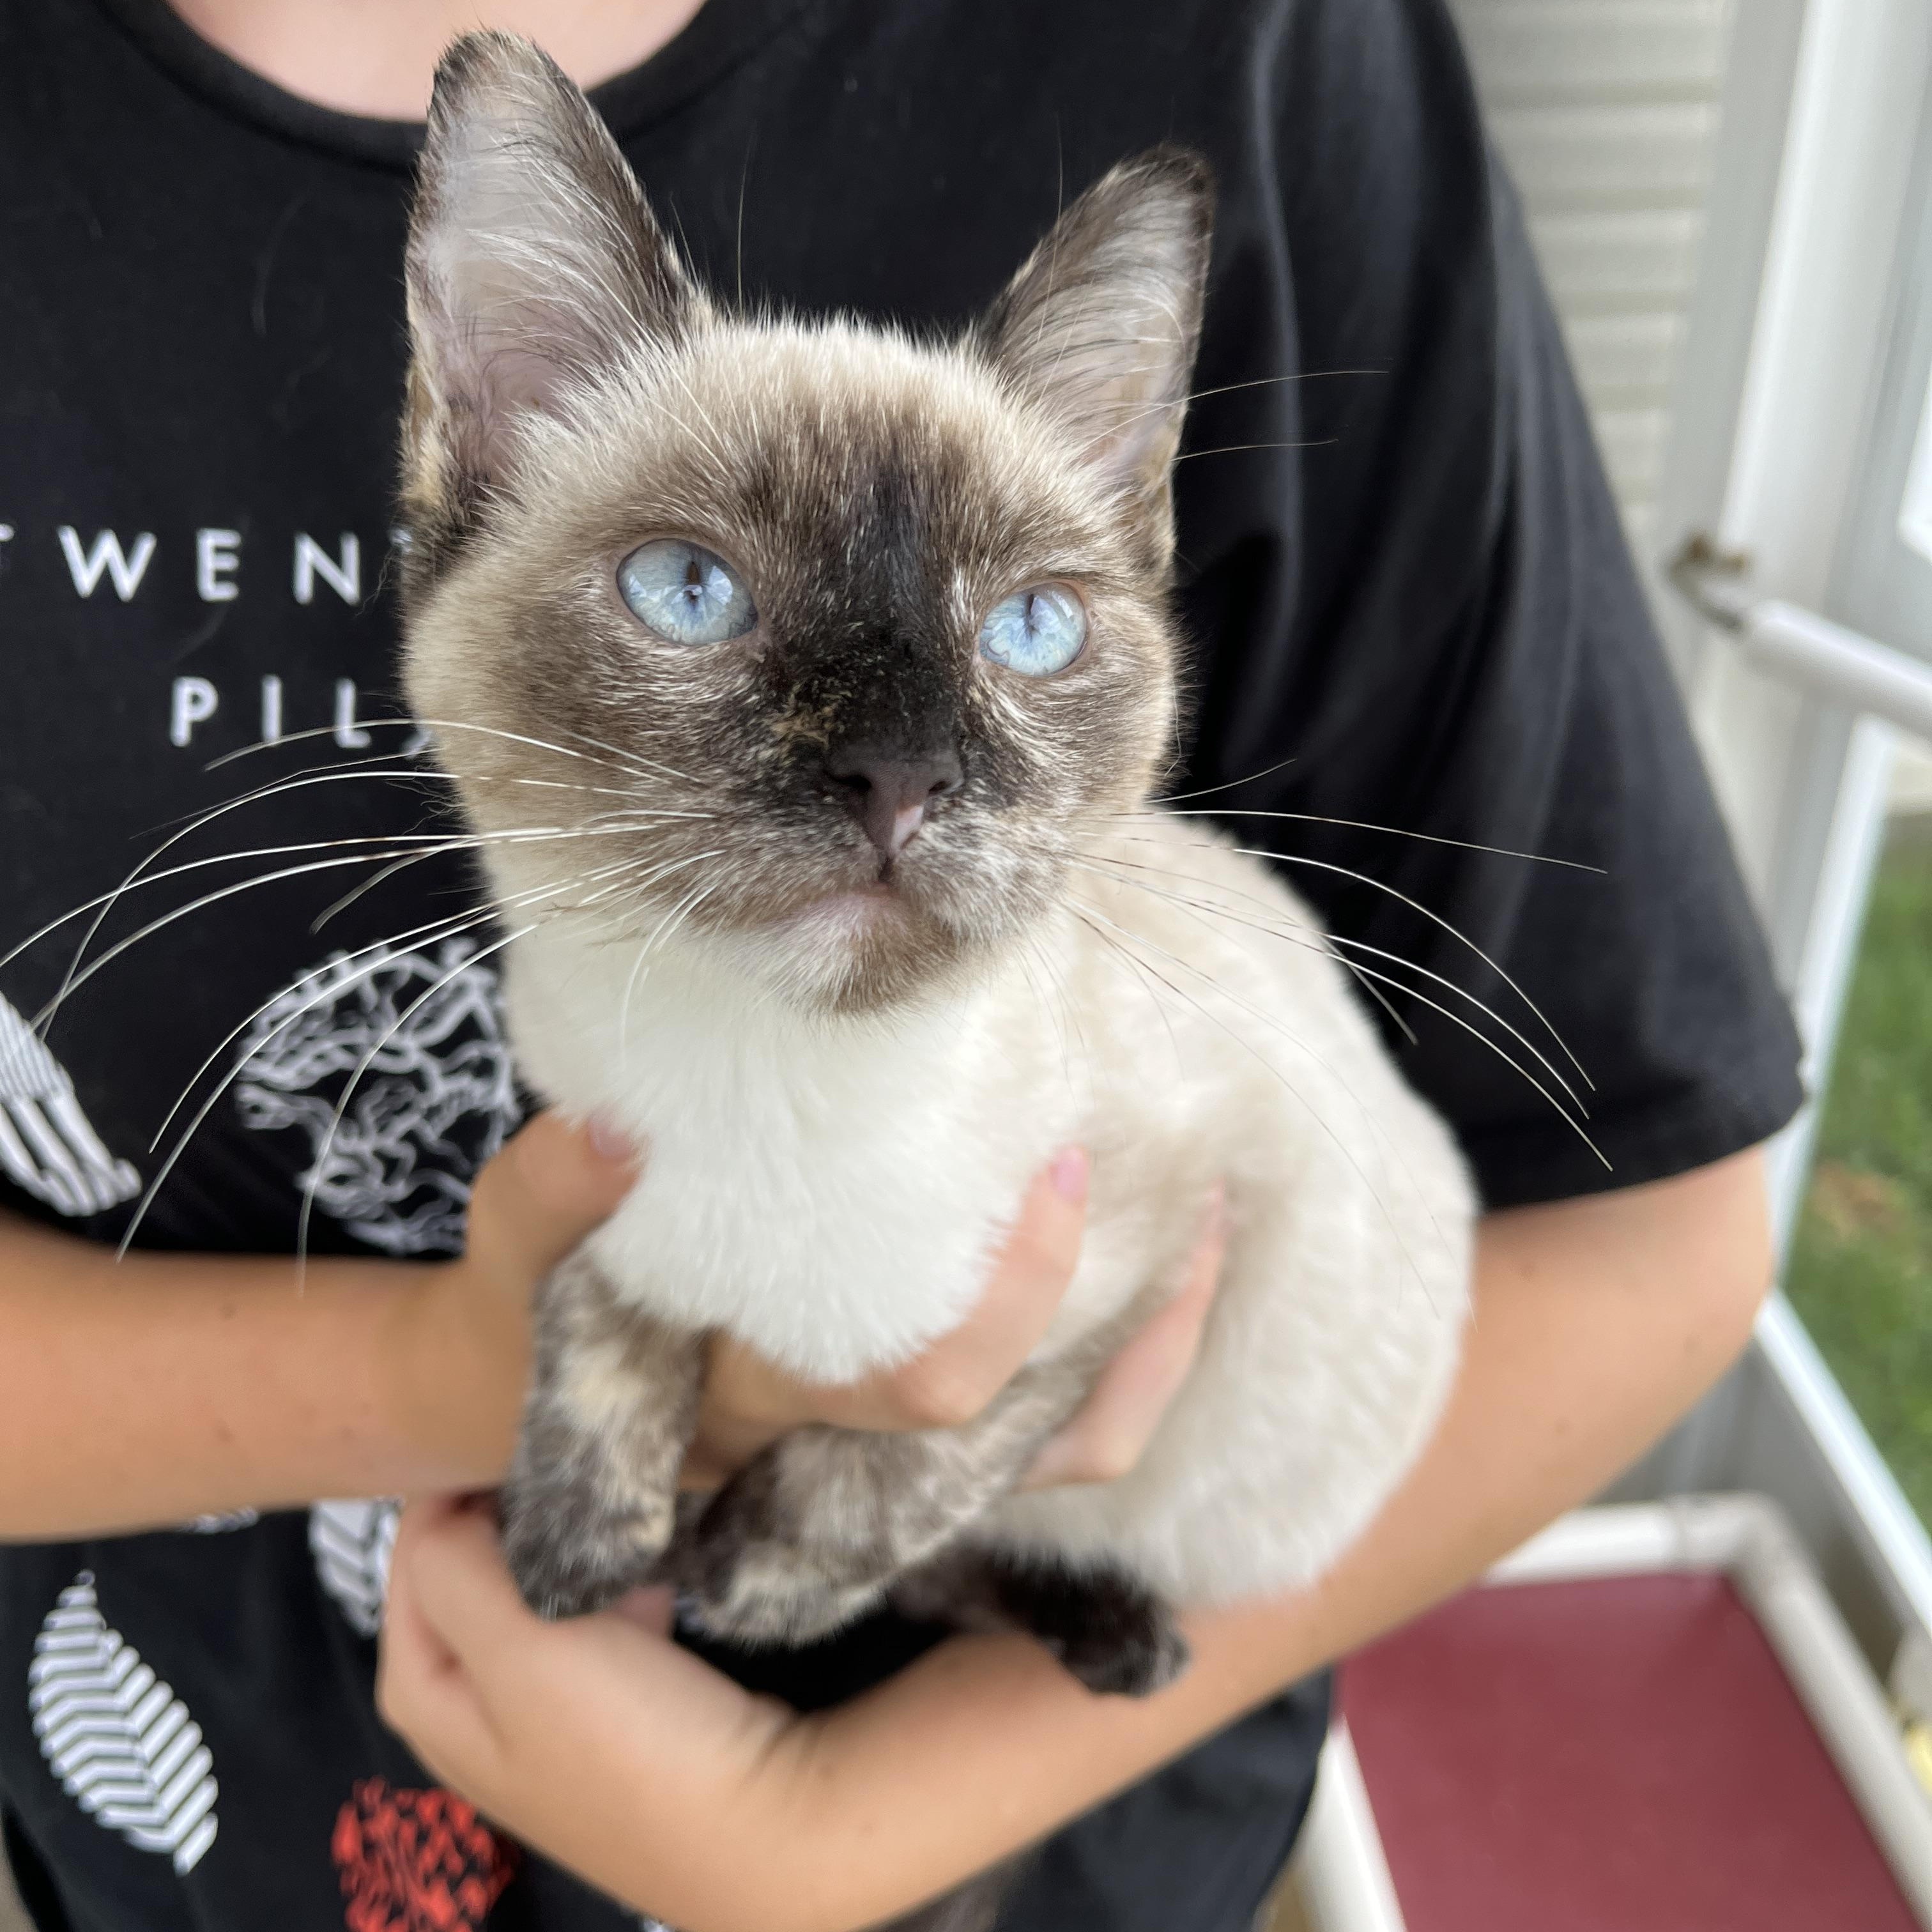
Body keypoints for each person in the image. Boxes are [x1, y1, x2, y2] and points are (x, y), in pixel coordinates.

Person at [0, 1, 1802, 1929]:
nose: (899, 772)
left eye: (1032, 623)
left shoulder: (1254, 43)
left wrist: (814, 1823)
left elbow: (1650, 1241)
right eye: (692, 590)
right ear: (492, 439)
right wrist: (465, 1372)